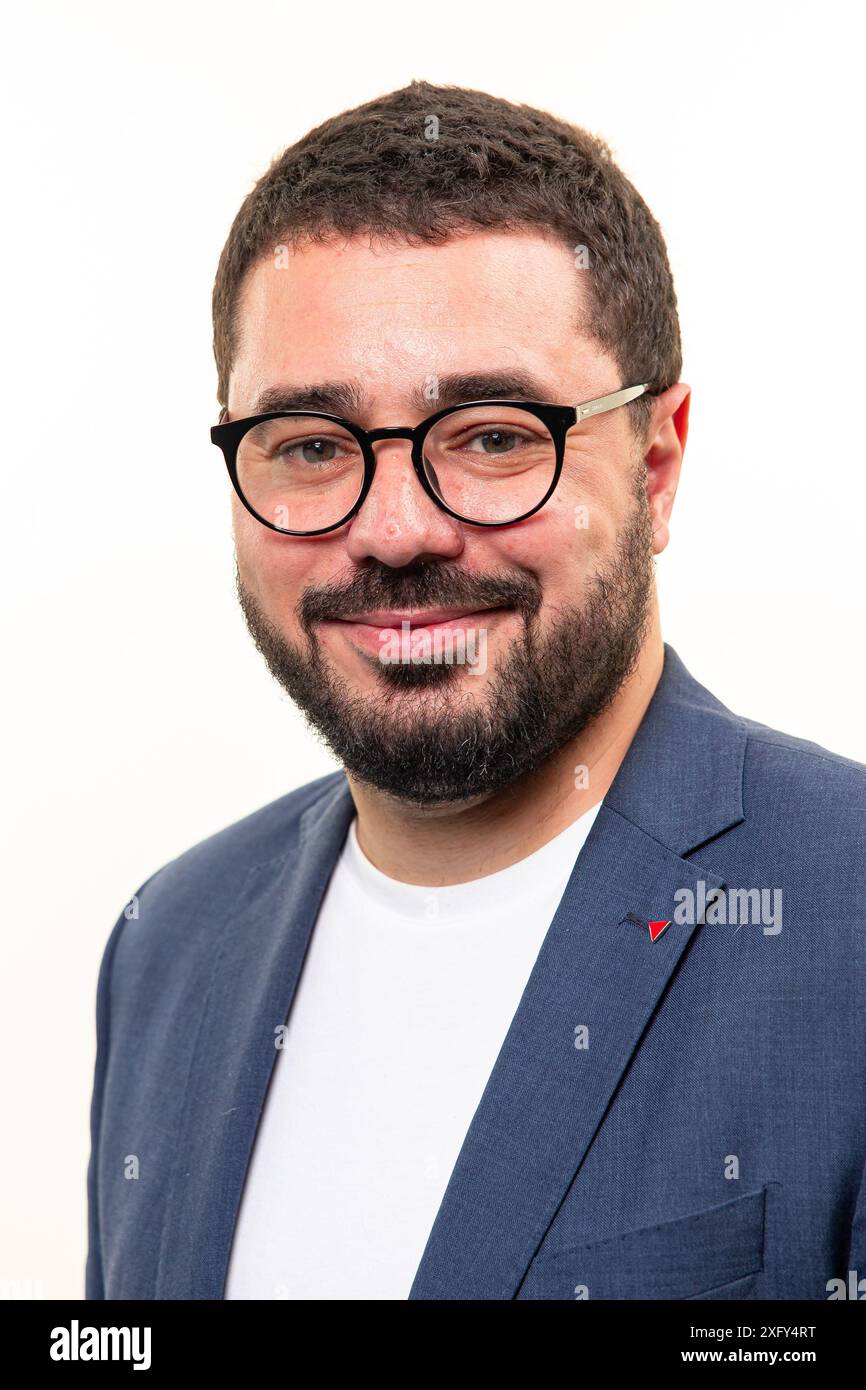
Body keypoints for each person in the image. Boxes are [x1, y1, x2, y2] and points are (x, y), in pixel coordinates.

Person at [86, 80, 866, 1301]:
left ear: (655, 466)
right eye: (308, 442)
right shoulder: (168, 943)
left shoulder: (844, 907)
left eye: (494, 435)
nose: (393, 530)